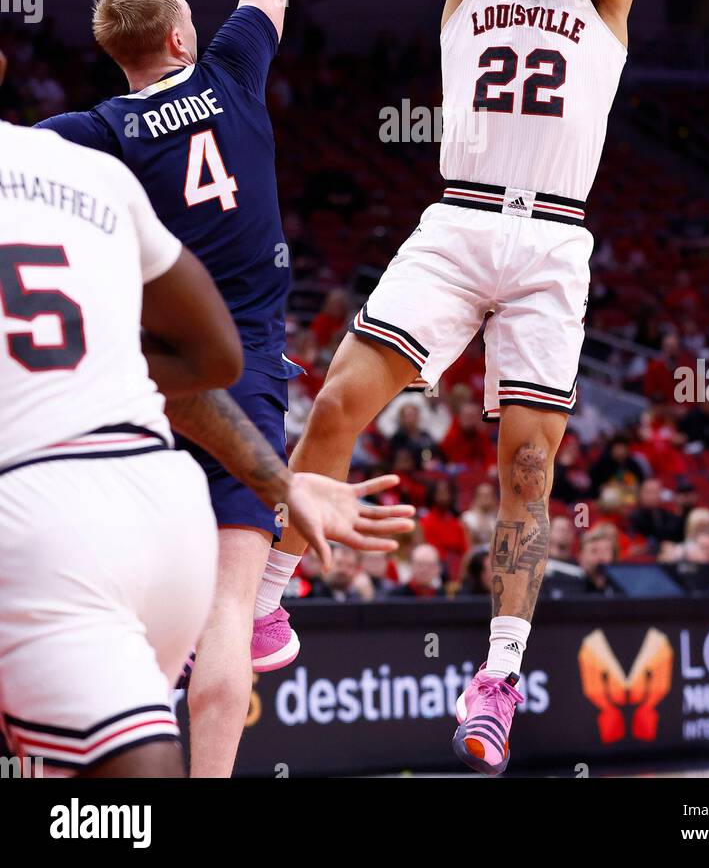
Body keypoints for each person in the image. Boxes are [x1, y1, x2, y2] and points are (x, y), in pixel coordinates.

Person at [277, 0, 633, 776]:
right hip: (457, 219)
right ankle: (273, 597)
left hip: (550, 243)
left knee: (526, 474)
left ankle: (497, 676)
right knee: (337, 396)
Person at [35, 0, 394, 777]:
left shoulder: (98, 127)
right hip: (250, 370)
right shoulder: (234, 67)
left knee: (133, 616)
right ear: (186, 35)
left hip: (149, 386)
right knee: (233, 612)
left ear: (122, 54)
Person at [0, 90, 412, 777]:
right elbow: (215, 359)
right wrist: (279, 481)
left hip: (46, 524)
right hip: (164, 514)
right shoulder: (90, 172)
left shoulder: (94, 144)